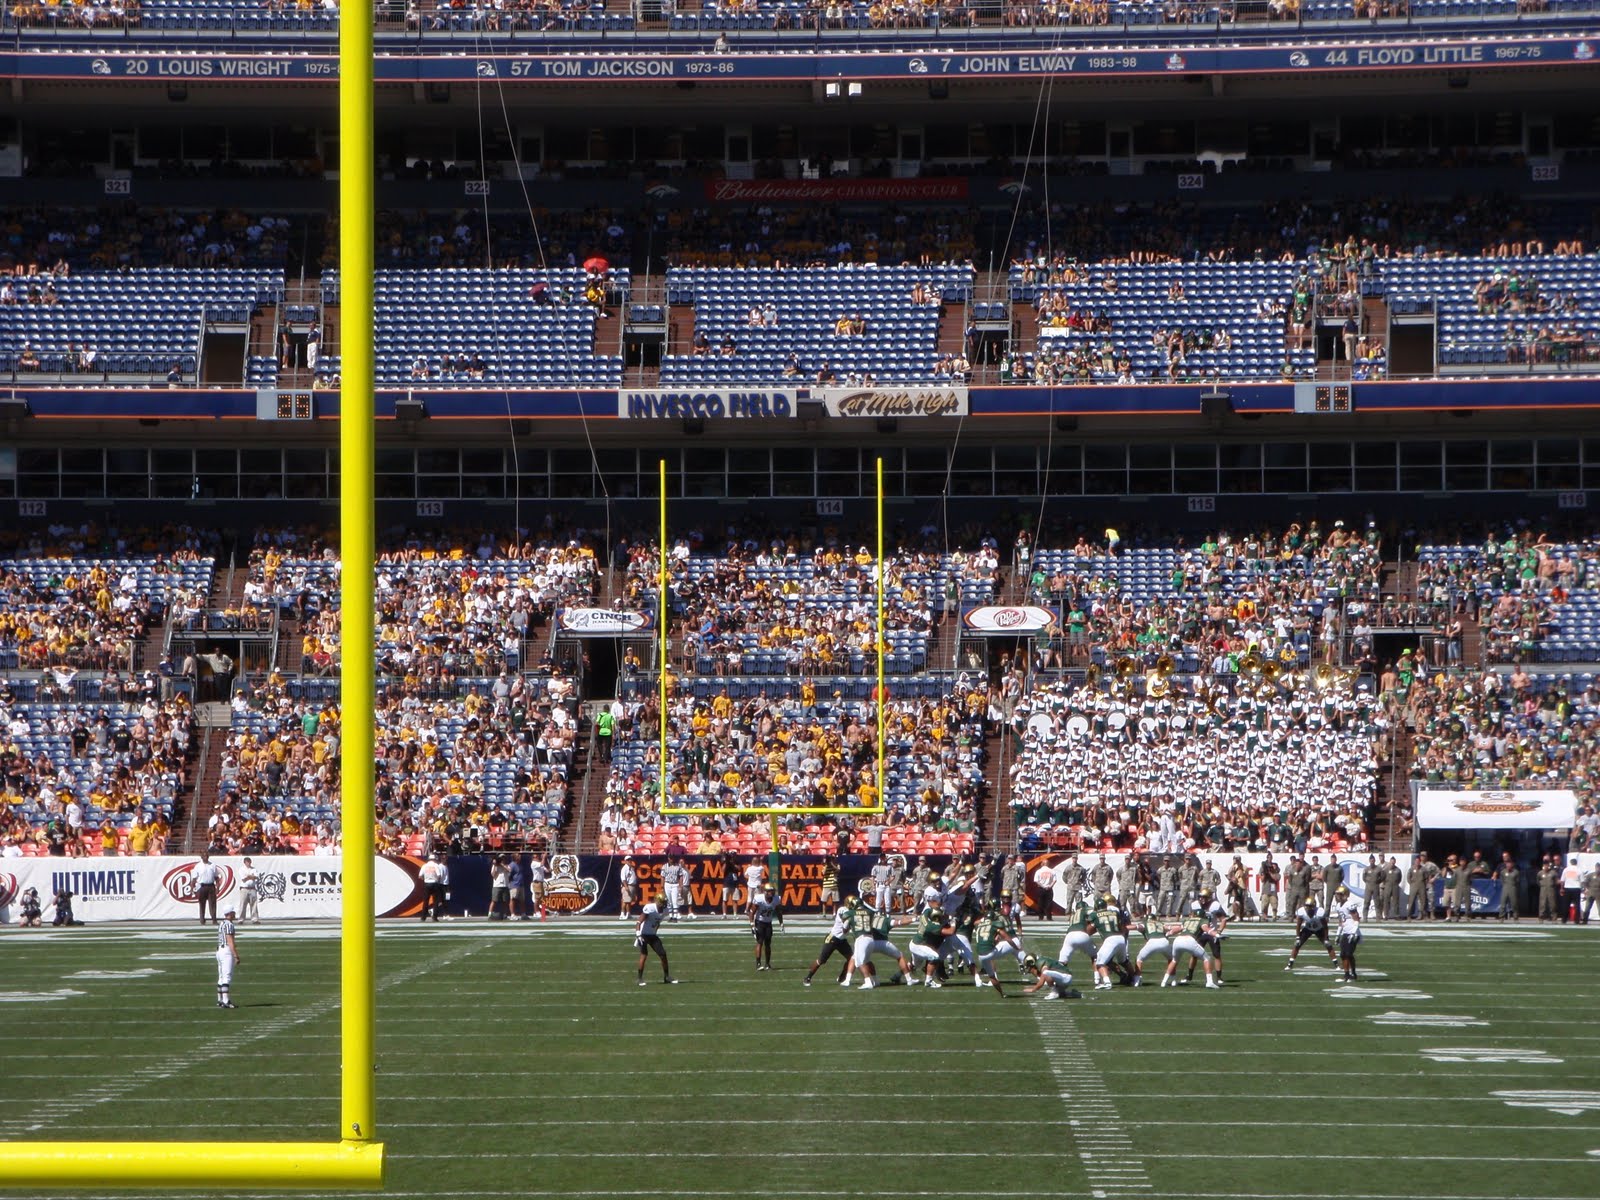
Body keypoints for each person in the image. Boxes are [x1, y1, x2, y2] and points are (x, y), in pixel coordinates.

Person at [804, 895, 857, 987]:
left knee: (852, 959)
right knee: (821, 960)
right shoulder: (842, 910)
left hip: (842, 940)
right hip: (833, 938)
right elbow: (845, 926)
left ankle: (842, 977)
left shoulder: (851, 912)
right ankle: (807, 977)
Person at [1285, 892, 1337, 971]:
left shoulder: (1319, 912)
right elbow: (1298, 925)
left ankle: (1336, 965)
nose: (1308, 908)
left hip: (1319, 929)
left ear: (1314, 906)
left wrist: (1326, 938)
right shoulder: (1301, 911)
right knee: (1297, 945)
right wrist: (1298, 937)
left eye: (1310, 906)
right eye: (1307, 906)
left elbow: (1325, 926)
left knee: (1328, 945)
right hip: (1307, 929)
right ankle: (1290, 964)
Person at [633, 895, 677, 986]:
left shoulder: (665, 911)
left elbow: (658, 923)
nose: (664, 904)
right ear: (658, 901)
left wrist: (654, 932)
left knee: (663, 954)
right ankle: (639, 978)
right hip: (643, 934)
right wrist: (638, 934)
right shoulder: (650, 908)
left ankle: (667, 977)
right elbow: (638, 922)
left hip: (652, 935)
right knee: (644, 955)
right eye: (663, 902)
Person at [748, 883, 784, 971]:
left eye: (772, 891)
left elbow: (778, 912)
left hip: (768, 923)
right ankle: (758, 963)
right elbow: (752, 912)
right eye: (769, 891)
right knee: (760, 942)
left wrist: (781, 923)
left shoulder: (776, 899)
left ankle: (768, 964)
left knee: (768, 944)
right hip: (759, 922)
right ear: (765, 892)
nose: (771, 893)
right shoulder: (759, 899)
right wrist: (752, 925)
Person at [1334, 887, 1362, 982]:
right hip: (1345, 932)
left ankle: (1353, 973)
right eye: (1337, 894)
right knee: (1343, 954)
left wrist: (1354, 932)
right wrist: (1338, 934)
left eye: (1340, 894)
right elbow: (1341, 921)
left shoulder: (1349, 905)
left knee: (1349, 954)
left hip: (1353, 932)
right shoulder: (1338, 906)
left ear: (1345, 895)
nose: (1338, 896)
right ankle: (1346, 975)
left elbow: (1357, 919)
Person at [216, 905, 239, 1008]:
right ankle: (225, 1001)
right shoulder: (229, 925)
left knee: (221, 976)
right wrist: (236, 955)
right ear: (229, 914)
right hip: (226, 951)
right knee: (227, 976)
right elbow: (230, 941)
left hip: (219, 950)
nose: (234, 914)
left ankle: (220, 1000)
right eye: (233, 913)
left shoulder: (221, 924)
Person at [192, 850, 221, 925]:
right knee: (202, 904)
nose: (206, 857)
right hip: (202, 886)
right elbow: (194, 878)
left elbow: (216, 877)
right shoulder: (198, 866)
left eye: (207, 856)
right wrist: (193, 888)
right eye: (204, 856)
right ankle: (202, 919)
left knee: (213, 903)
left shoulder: (212, 865)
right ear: (201, 857)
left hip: (211, 886)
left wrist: (217, 888)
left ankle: (214, 919)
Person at [418, 851, 448, 921]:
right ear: (434, 859)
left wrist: (425, 879)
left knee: (426, 901)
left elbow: (420, 876)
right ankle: (434, 917)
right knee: (436, 901)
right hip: (434, 883)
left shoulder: (424, 866)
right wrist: (436, 880)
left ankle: (423, 917)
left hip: (427, 883)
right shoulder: (436, 865)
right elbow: (439, 875)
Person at [1495, 853, 1519, 922]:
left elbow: (1517, 881)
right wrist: (1505, 885)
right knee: (1503, 903)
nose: (1508, 865)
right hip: (1505, 888)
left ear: (1512, 864)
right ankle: (1501, 917)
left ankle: (1515, 917)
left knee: (1514, 903)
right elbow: (1502, 880)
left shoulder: (1516, 872)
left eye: (1509, 863)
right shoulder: (1503, 872)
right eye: (1507, 863)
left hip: (1513, 888)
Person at [237, 856, 261, 925]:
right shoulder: (241, 869)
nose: (248, 863)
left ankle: (254, 919)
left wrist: (249, 876)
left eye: (249, 862)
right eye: (247, 862)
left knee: (254, 904)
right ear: (244, 862)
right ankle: (241, 919)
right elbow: (244, 878)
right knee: (242, 904)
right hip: (244, 888)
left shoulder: (253, 869)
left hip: (252, 888)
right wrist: (251, 876)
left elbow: (256, 877)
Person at [1536, 855, 1560, 922]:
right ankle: (1541, 917)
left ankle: (1554, 917)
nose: (1546, 866)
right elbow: (1538, 881)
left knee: (1552, 904)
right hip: (1543, 890)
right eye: (1544, 865)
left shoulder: (1553, 872)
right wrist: (1542, 885)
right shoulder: (1540, 873)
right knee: (1542, 904)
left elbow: (1556, 881)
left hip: (1551, 890)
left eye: (1547, 865)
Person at [528, 854, 549, 921]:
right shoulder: (533, 863)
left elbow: (547, 870)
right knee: (537, 898)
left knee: (541, 898)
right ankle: (536, 912)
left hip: (541, 882)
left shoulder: (539, 863)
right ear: (533, 858)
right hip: (536, 882)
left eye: (537, 856)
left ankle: (542, 912)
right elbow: (542, 864)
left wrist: (546, 860)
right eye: (535, 857)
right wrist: (544, 857)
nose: (537, 857)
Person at [618, 855, 638, 921]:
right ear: (625, 861)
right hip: (628, 885)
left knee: (628, 901)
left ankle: (628, 914)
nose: (630, 861)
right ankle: (622, 914)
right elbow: (623, 878)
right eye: (628, 860)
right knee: (625, 901)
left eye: (630, 860)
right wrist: (626, 886)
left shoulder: (631, 868)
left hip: (631, 885)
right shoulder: (625, 868)